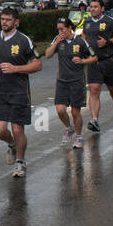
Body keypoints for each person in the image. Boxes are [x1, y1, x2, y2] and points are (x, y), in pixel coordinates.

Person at [0, 6, 42, 177]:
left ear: (16, 22)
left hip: (19, 91)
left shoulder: (25, 41)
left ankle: (20, 162)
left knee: (18, 130)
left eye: (8, 20)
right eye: (2, 19)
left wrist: (16, 68)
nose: (4, 22)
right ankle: (12, 145)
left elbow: (38, 64)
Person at [44, 17, 95, 149]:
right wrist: (56, 43)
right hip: (62, 81)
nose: (60, 32)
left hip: (77, 81)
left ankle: (78, 137)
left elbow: (94, 56)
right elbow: (47, 55)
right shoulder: (57, 40)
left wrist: (82, 61)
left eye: (62, 29)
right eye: (58, 29)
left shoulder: (80, 41)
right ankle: (69, 128)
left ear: (69, 28)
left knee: (75, 112)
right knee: (60, 110)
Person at [80, 0, 113, 131]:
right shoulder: (87, 21)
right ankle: (94, 120)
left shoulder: (109, 21)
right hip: (93, 61)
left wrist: (108, 42)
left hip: (108, 60)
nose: (93, 9)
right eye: (91, 7)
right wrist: (84, 43)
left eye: (95, 7)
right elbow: (83, 33)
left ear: (102, 9)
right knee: (94, 89)